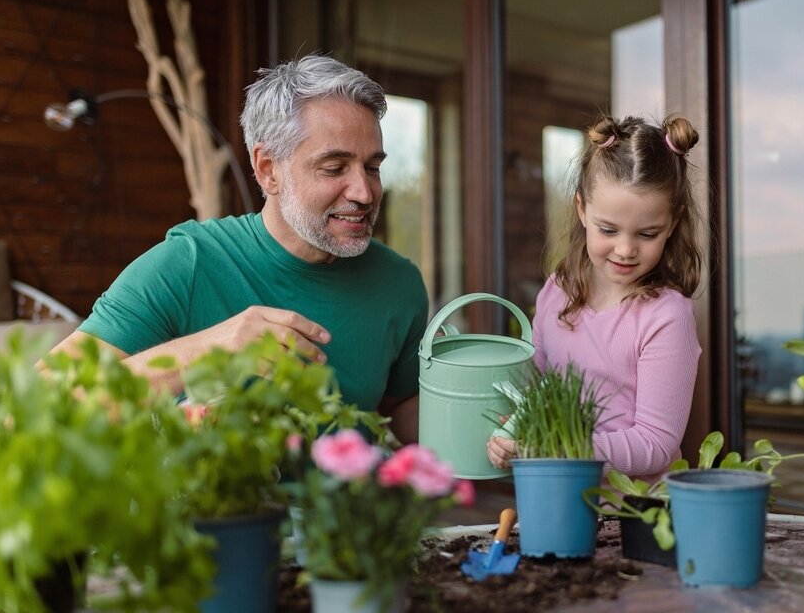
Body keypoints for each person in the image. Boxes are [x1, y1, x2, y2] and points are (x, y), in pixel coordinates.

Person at [46, 54, 427, 444]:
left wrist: (476, 421)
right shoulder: (189, 263)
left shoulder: (400, 284)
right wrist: (209, 349)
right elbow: (44, 402)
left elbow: (394, 413)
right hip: (217, 506)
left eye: (373, 167)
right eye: (333, 168)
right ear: (267, 168)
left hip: (352, 505)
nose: (364, 193)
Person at [486, 114, 703, 482]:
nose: (625, 249)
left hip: (634, 518)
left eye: (647, 234)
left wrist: (559, 448)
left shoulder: (666, 316)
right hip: (554, 500)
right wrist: (511, 436)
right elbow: (532, 394)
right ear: (582, 209)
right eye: (608, 229)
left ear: (672, 223)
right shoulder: (558, 290)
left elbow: (655, 444)